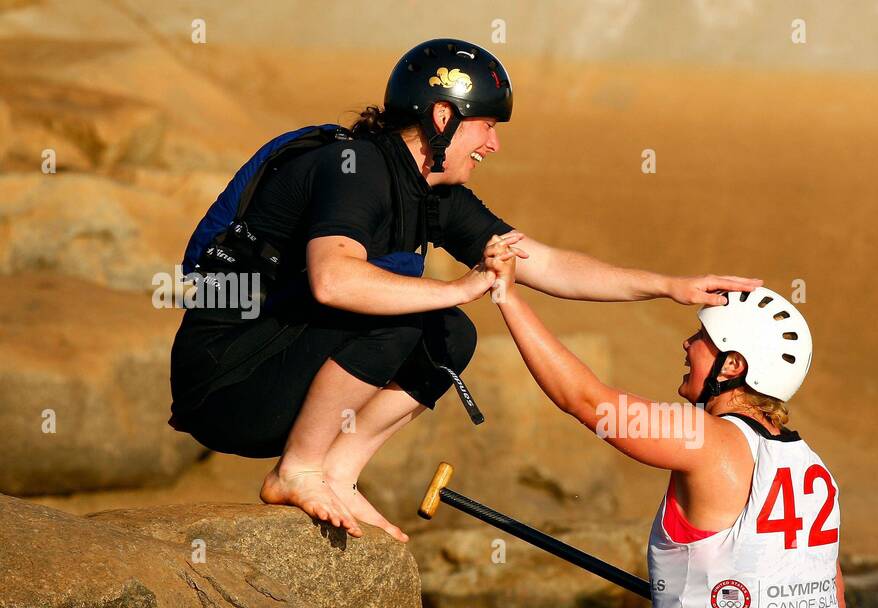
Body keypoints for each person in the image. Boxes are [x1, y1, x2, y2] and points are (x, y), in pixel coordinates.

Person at [169, 38, 760, 542]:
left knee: (449, 333)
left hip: (280, 376)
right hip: (229, 382)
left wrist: (668, 286)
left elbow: (545, 265)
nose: (494, 145)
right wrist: (460, 286)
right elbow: (333, 279)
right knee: (412, 312)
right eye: (488, 126)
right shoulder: (353, 167)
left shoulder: (434, 192)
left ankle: (336, 473)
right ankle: (296, 471)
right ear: (443, 117)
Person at [482, 235, 846, 608]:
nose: (687, 343)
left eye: (702, 337)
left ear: (731, 365)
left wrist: (508, 297)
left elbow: (585, 400)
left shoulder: (704, 439)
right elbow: (836, 602)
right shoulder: (813, 465)